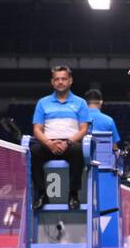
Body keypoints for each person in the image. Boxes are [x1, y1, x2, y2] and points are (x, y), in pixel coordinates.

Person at [30, 65, 90, 211]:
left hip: (70, 143)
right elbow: (37, 129)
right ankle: (42, 194)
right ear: (52, 82)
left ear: (70, 81)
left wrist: (68, 142)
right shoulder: (42, 103)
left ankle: (73, 195)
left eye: (63, 79)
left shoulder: (80, 103)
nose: (60, 82)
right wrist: (48, 143)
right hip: (48, 143)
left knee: (78, 151)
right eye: (57, 79)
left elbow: (84, 129)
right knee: (34, 151)